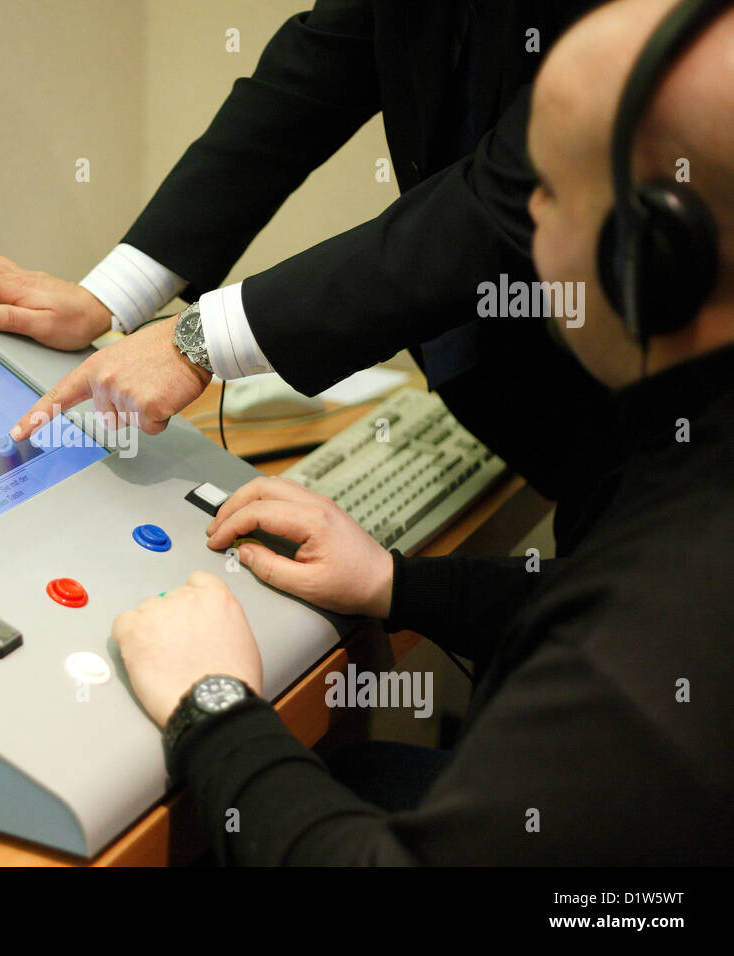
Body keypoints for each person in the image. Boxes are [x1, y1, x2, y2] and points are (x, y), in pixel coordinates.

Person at [109, 0, 734, 865]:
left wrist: (214, 707)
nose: (527, 223)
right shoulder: (686, 498)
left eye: (545, 187)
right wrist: (397, 586)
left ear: (654, 257)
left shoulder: (661, 617)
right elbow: (584, 601)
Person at [0, 0, 621, 554]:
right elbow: (306, 82)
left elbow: (502, 196)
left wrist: (193, 342)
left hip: (641, 408)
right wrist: (109, 295)